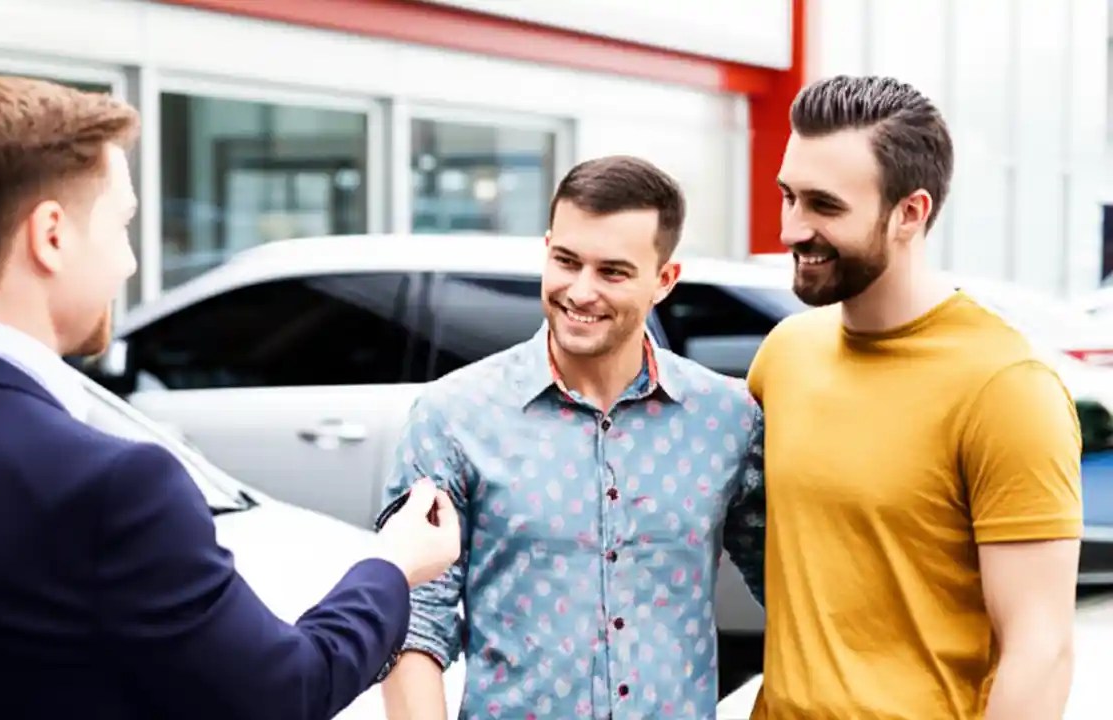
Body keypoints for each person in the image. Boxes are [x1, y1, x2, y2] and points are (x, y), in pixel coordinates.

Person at [0, 75, 460, 720]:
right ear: (51, 234)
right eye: (121, 224)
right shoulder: (110, 486)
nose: (128, 264)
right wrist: (391, 566)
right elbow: (282, 693)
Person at [376, 155, 767, 719]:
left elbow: (793, 592)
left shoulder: (727, 418)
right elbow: (414, 614)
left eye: (612, 272)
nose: (581, 292)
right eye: (566, 261)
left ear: (664, 280)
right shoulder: (453, 415)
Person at [749, 74, 1082, 719]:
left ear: (910, 212)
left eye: (824, 205)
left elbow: (1041, 651)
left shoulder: (1006, 388)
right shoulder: (786, 354)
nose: (792, 228)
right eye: (788, 196)